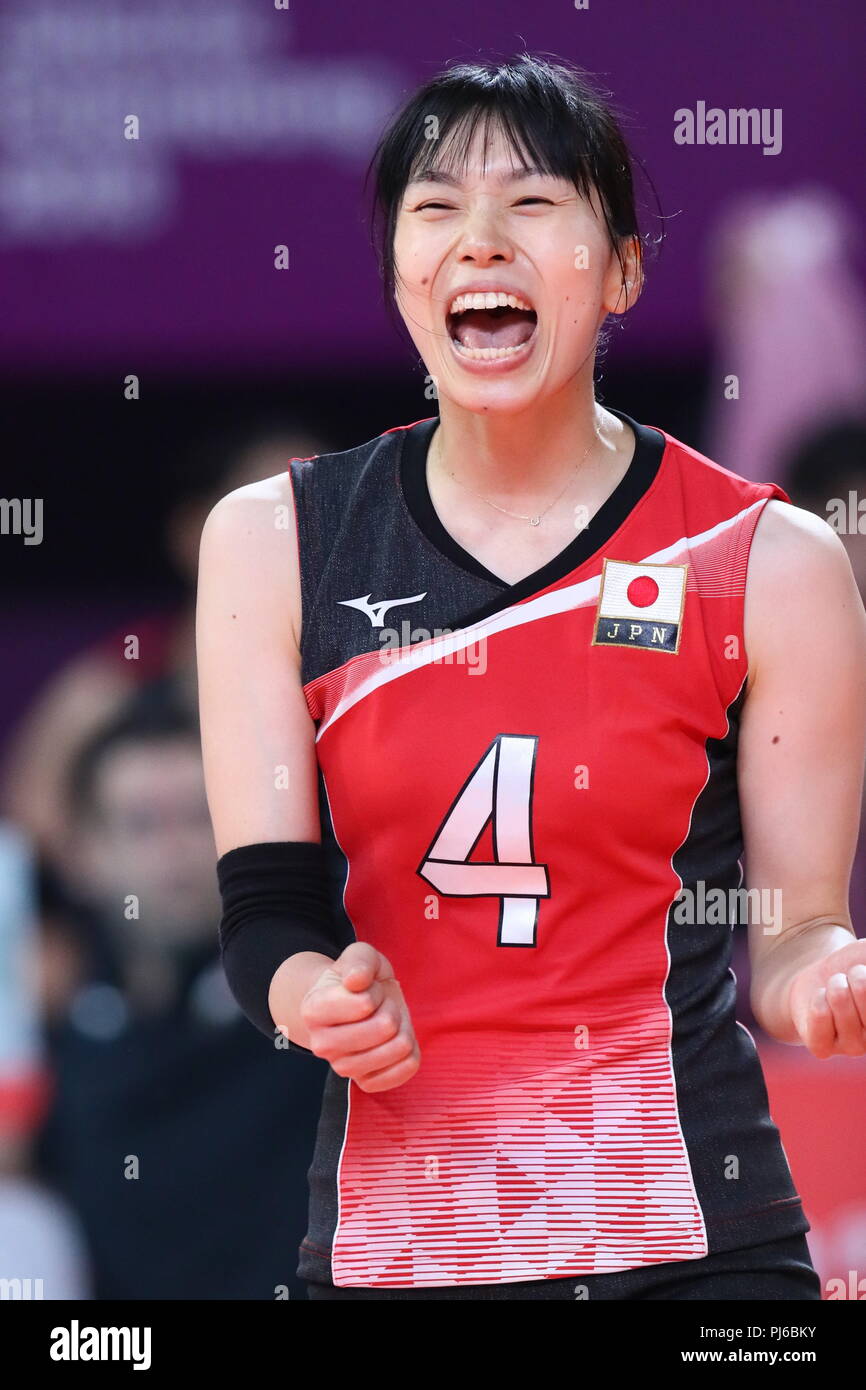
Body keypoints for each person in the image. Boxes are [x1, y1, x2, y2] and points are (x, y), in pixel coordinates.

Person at [196, 55, 866, 1301]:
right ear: (400, 272)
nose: (479, 242)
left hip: (693, 1242)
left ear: (621, 270)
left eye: (534, 203)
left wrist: (824, 976)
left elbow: (790, 933)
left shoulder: (770, 563)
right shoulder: (274, 540)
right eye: (436, 208)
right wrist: (310, 991)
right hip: (399, 1236)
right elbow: (267, 911)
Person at [33, 690, 327, 1299]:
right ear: (83, 853)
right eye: (142, 824)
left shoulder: (313, 999)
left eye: (200, 817)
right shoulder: (50, 1020)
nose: (176, 852)